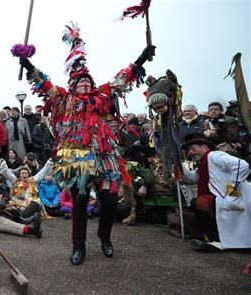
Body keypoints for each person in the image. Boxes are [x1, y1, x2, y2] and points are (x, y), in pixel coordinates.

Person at [16, 22, 154, 265]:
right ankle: (79, 246)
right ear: (72, 83)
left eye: (88, 80)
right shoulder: (63, 99)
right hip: (76, 157)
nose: (85, 83)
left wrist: (141, 60)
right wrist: (27, 64)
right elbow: (43, 83)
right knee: (79, 202)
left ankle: (105, 237)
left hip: (104, 154)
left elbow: (123, 79)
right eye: (80, 80)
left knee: (110, 200)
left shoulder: (101, 95)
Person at [181, 133, 251, 251]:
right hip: (222, 199)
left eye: (193, 148)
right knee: (199, 202)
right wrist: (179, 168)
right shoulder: (204, 162)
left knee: (199, 203)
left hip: (233, 198)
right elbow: (192, 179)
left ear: (205, 147)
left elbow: (242, 165)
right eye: (189, 151)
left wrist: (230, 188)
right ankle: (214, 239)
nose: (191, 153)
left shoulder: (214, 156)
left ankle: (216, 241)